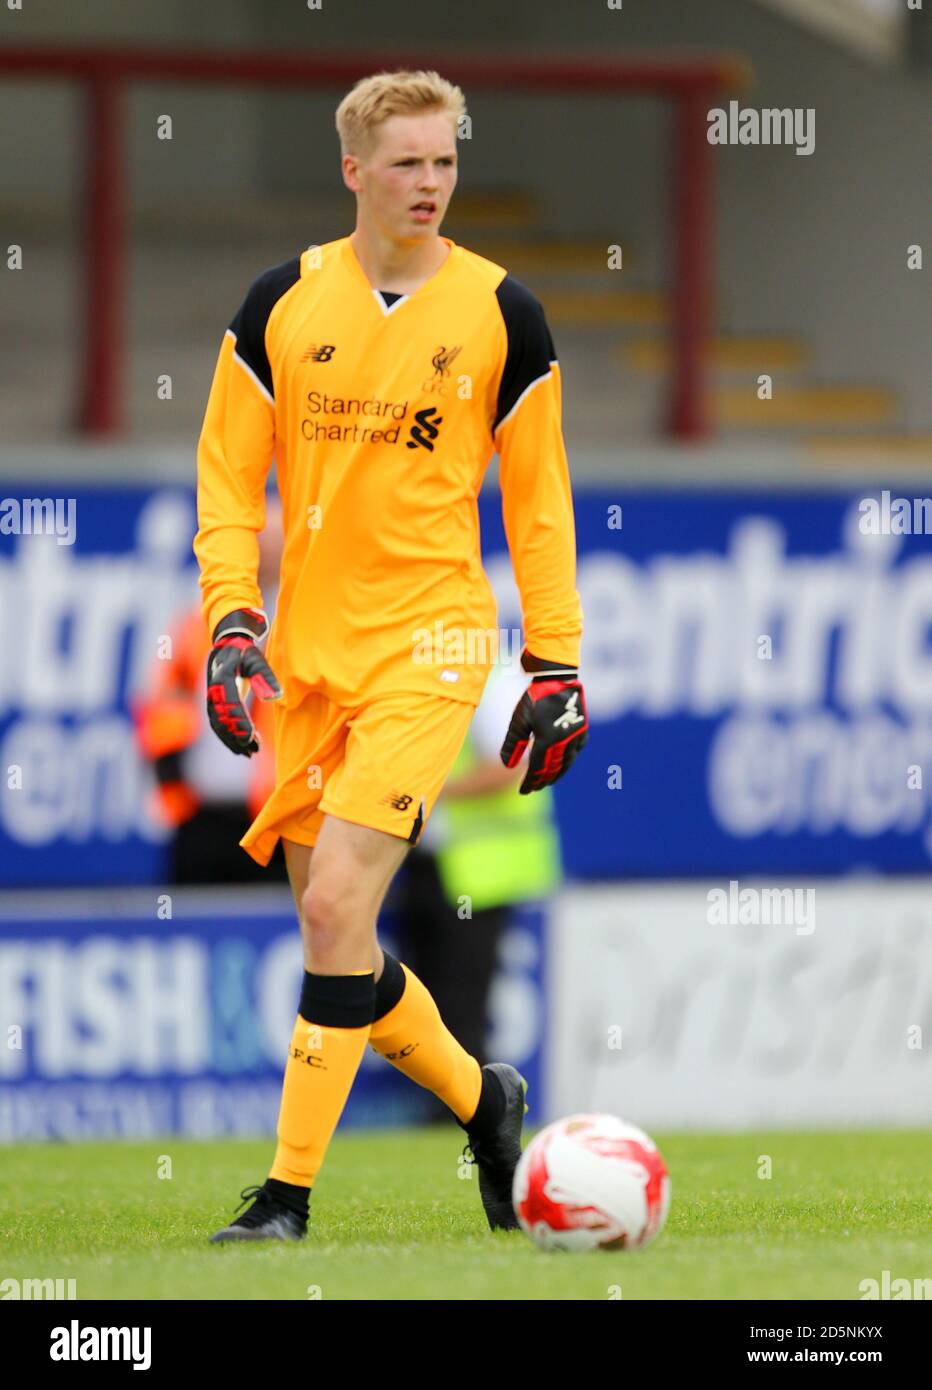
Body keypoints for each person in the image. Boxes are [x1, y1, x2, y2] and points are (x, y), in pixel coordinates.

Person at [193, 69, 588, 1244]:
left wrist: (553, 660)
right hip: (311, 656)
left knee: (331, 906)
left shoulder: (500, 311)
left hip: (434, 640)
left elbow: (540, 504)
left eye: (446, 161)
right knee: (340, 933)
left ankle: (284, 1197)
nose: (431, 183)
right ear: (354, 169)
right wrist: (230, 619)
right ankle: (487, 1098)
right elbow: (225, 478)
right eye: (408, 162)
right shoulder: (280, 302)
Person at [390, 654, 563, 1121]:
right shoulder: (436, 675)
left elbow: (510, 767)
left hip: (479, 872)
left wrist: (420, 788)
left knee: (461, 1009)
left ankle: (471, 1121)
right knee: (429, 1008)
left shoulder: (488, 681)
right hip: (436, 864)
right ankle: (453, 1116)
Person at [133, 499, 287, 884]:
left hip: (274, 818)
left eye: (273, 543)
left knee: (273, 923)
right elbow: (160, 705)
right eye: (258, 542)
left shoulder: (301, 622)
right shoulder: (200, 619)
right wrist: (175, 789)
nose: (264, 553)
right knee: (193, 917)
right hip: (203, 814)